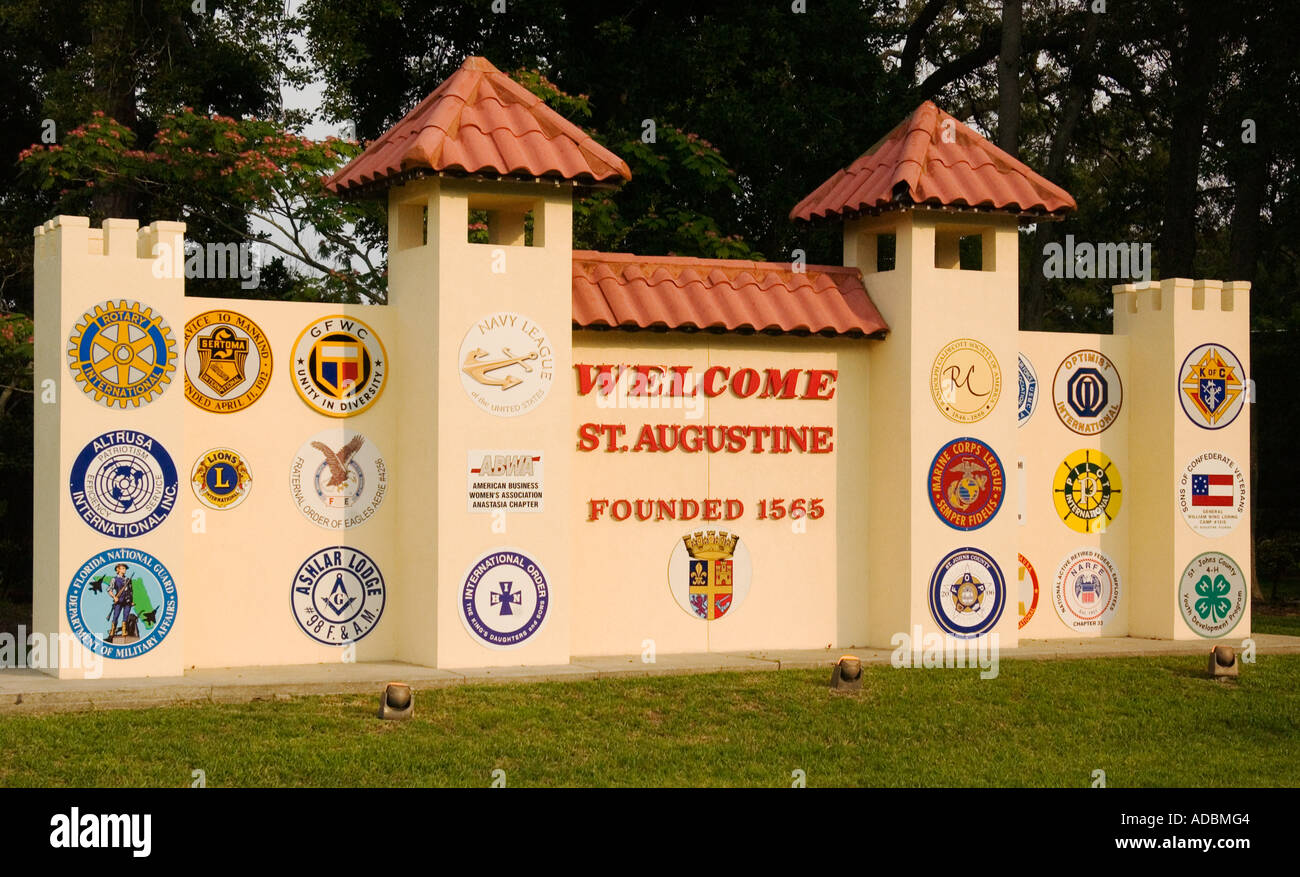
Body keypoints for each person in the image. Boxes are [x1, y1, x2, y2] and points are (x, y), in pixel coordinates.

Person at [106, 563, 134, 642]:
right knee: (116, 615)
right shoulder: (114, 579)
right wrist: (114, 597)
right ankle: (112, 630)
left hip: (127, 601)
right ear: (118, 570)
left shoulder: (128, 579)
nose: (124, 570)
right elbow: (109, 589)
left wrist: (131, 601)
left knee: (126, 615)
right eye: (122, 568)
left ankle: (124, 631)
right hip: (119, 600)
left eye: (125, 568)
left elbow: (131, 591)